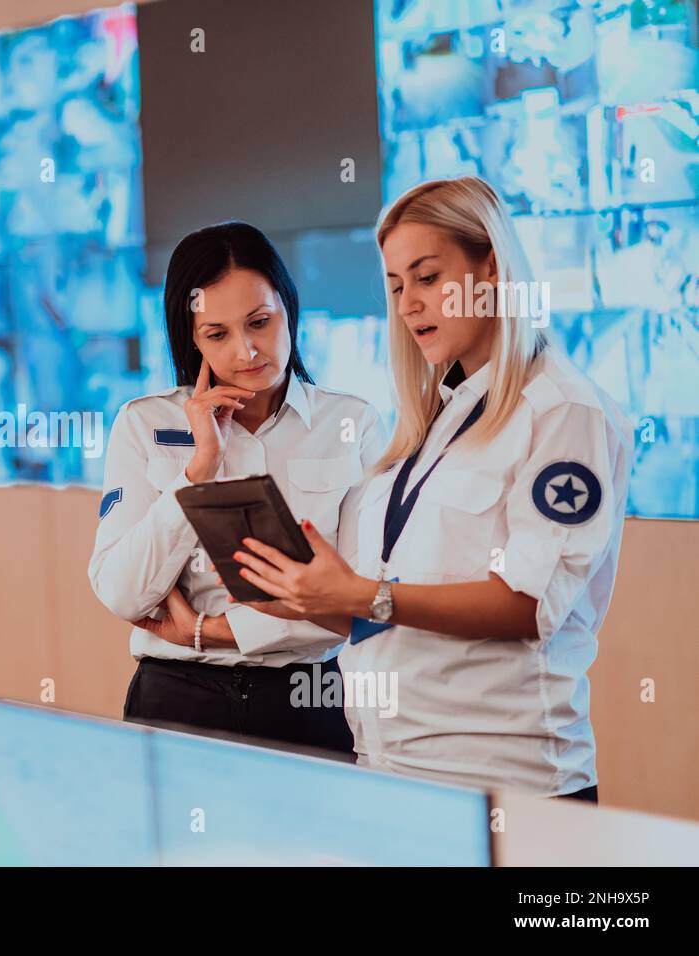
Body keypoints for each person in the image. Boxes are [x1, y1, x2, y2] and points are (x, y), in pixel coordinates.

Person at [230, 176, 633, 800]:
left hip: (506, 787)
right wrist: (317, 599)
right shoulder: (439, 418)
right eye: (395, 287)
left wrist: (366, 593)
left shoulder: (563, 411)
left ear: (491, 269)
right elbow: (399, 613)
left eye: (426, 277)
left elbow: (528, 606)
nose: (409, 304)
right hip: (395, 772)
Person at [88, 221, 386, 755]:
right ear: (191, 339)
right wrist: (198, 469)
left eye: (260, 322)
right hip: (176, 699)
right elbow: (122, 592)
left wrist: (209, 630)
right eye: (217, 334)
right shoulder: (144, 425)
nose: (246, 351)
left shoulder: (352, 423)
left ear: (288, 309)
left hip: (309, 697)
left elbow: (362, 603)